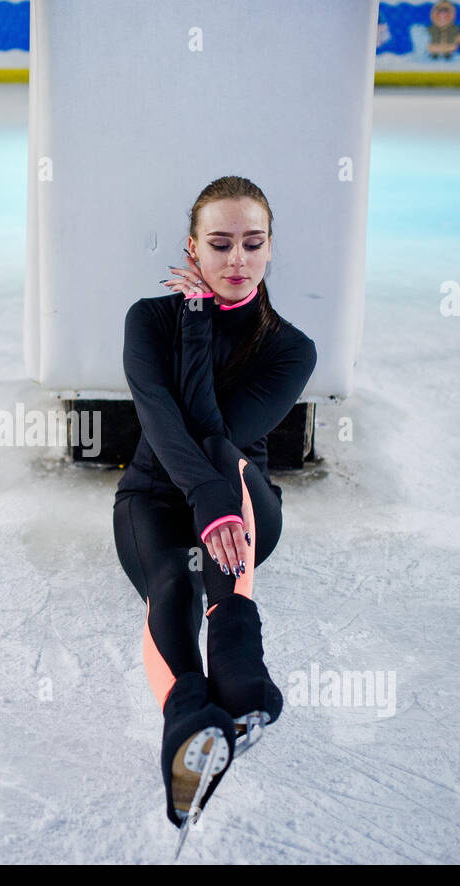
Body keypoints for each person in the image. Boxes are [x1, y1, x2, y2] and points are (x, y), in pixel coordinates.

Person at [112, 175, 318, 828]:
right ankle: (191, 722)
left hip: (244, 500)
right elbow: (164, 425)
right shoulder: (148, 320)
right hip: (153, 495)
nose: (237, 261)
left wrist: (217, 498)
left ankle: (240, 669)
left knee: (226, 458)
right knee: (172, 576)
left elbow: (215, 431)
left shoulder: (290, 349)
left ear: (270, 248)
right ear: (192, 248)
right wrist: (193, 324)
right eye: (221, 244)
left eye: (252, 244)